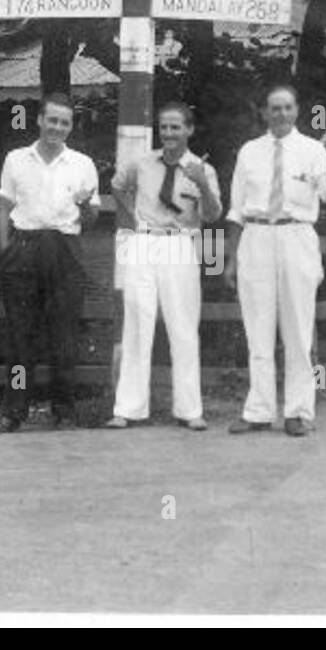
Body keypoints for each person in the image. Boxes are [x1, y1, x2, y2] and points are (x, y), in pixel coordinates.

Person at [223, 85, 326, 437]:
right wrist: (231, 260)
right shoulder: (249, 152)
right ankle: (258, 411)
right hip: (256, 238)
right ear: (264, 112)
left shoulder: (313, 149)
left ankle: (298, 411)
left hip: (296, 237)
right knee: (258, 331)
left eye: (287, 107)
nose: (280, 114)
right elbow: (236, 209)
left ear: (297, 111)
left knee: (297, 330)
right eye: (273, 108)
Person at [106, 103, 221, 431]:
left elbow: (212, 216)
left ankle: (189, 409)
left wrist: (203, 185)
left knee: (183, 327)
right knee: (137, 323)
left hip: (180, 243)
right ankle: (127, 408)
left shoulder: (202, 169)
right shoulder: (142, 163)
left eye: (175, 128)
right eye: (164, 128)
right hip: (143, 242)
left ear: (189, 130)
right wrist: (132, 214)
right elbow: (117, 185)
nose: (169, 134)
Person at [0, 93, 100, 434]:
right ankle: (14, 410)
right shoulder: (16, 159)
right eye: (52, 120)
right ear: (39, 120)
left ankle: (63, 410)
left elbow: (92, 218)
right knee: (21, 334)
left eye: (64, 122)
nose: (57, 127)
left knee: (64, 334)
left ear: (70, 127)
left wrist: (86, 206)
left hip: (64, 248)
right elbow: (5, 209)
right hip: (24, 247)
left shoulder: (82, 164)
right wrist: (7, 249)